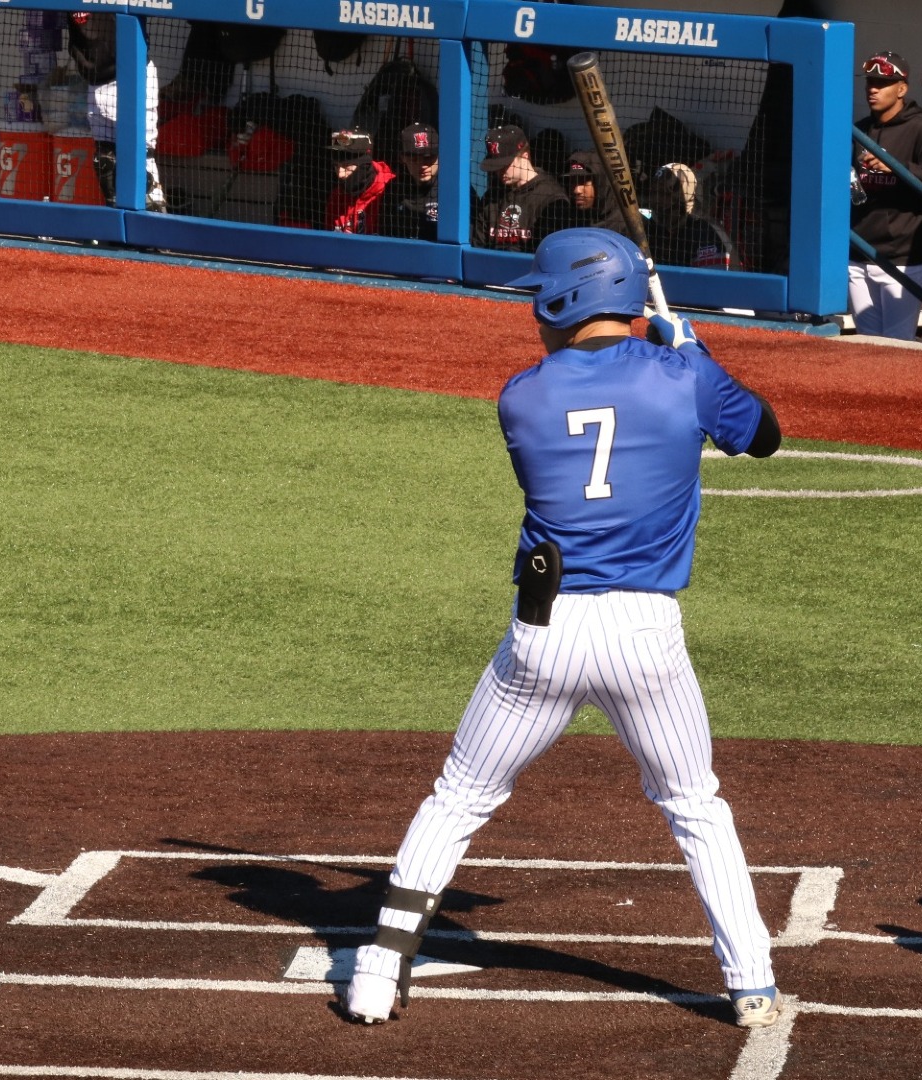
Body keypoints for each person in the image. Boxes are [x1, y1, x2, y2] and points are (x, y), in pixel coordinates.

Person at [341, 227, 786, 1031]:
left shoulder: (522, 395)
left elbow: (600, 400)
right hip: (646, 635)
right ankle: (751, 981)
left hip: (542, 637)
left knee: (459, 797)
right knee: (694, 806)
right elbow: (762, 435)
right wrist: (699, 352)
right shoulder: (685, 377)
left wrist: (679, 361)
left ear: (565, 301)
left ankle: (377, 974)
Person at [848, 50, 922, 341]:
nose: (873, 89)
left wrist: (897, 167)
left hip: (903, 257)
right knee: (867, 342)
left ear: (901, 89)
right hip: (858, 254)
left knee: (897, 346)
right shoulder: (859, 130)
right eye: (870, 82)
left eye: (882, 83)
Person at [66, 11, 166, 211]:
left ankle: (156, 232)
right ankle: (121, 234)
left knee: (141, 160)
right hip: (95, 81)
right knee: (105, 161)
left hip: (131, 77)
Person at [472, 124, 568, 253]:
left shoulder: (551, 197)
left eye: (505, 164)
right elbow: (478, 246)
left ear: (524, 156)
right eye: (496, 166)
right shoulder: (492, 197)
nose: (499, 171)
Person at [647, 162, 732, 269]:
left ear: (682, 198)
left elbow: (711, 282)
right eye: (654, 192)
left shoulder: (705, 232)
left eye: (664, 194)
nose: (656, 200)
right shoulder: (649, 230)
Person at [540, 150, 633, 239]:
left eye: (583, 181)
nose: (577, 190)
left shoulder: (626, 222)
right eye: (572, 182)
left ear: (601, 183)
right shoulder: (568, 219)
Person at [326, 129, 394, 235]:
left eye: (346, 166)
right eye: (336, 167)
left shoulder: (389, 191)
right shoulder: (337, 195)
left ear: (364, 165)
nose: (340, 174)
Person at [382, 122, 440, 241]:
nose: (423, 165)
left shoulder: (453, 189)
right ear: (402, 158)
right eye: (414, 158)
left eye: (429, 157)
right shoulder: (394, 189)